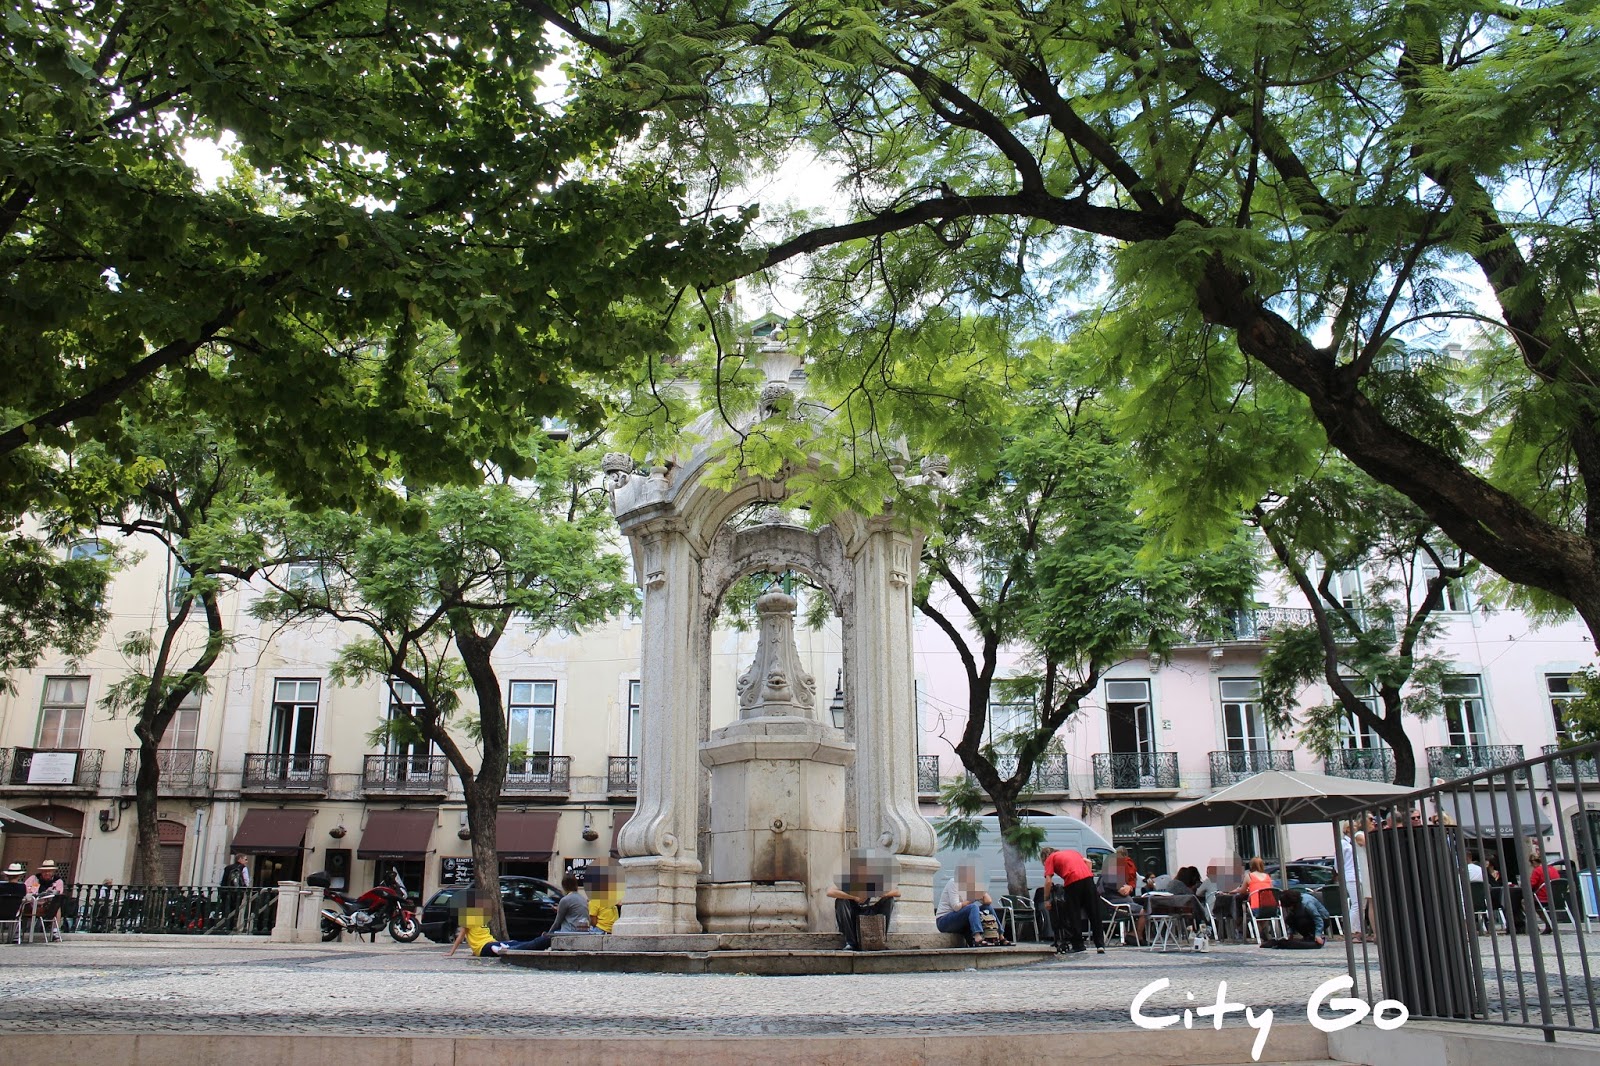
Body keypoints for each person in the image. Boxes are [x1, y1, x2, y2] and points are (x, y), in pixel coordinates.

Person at [828, 851, 900, 951]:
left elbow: (897, 892)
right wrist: (853, 897)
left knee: (889, 900)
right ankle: (850, 942)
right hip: (853, 913)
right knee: (841, 901)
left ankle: (881, 939)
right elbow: (830, 892)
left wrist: (882, 893)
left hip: (869, 913)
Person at [1042, 845, 1104, 955]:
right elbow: (1088, 862)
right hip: (1088, 880)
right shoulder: (1072, 852)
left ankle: (1078, 945)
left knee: (1073, 914)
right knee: (1094, 912)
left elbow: (1048, 881)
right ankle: (1100, 945)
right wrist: (1085, 875)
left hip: (1072, 882)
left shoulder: (1050, 858)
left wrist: (1046, 899)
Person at [936, 864, 1005, 946]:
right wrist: (973, 899)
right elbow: (956, 907)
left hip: (961, 921)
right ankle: (977, 937)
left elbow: (988, 901)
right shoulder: (953, 883)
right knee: (973, 907)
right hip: (944, 921)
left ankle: (1001, 936)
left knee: (987, 907)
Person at [1265, 888, 1329, 949]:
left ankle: (1312, 935)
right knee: (1290, 919)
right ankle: (1307, 937)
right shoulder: (1296, 904)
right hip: (1308, 918)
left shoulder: (1307, 904)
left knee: (1301, 921)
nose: (1289, 908)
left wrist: (1318, 935)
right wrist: (1290, 934)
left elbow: (1318, 919)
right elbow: (1291, 919)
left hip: (1323, 919)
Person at [24, 859, 65, 941]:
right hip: (32, 904)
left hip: (47, 906)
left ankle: (55, 932)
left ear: (53, 872)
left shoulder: (58, 881)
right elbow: (25, 889)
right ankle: (17, 932)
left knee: (57, 907)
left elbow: (58, 894)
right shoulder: (34, 879)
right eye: (44, 871)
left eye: (49, 871)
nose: (47, 873)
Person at [0, 863, 25, 944]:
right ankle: (15, 936)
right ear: (19, 876)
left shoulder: (1, 886)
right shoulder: (22, 887)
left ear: (7, 875)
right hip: (14, 914)